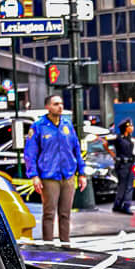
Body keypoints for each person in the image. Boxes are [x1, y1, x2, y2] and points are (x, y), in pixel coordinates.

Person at [24, 93, 86, 242]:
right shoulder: (38, 126)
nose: (60, 107)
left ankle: (66, 244)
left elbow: (76, 149)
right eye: (56, 104)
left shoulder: (67, 124)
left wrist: (82, 173)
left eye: (61, 104)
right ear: (47, 107)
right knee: (49, 214)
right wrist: (34, 175)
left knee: (65, 214)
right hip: (49, 176)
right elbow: (30, 153)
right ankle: (48, 245)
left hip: (68, 175)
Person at [110, 118, 135, 215]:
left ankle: (122, 205)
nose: (132, 128)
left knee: (128, 186)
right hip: (122, 164)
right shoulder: (118, 138)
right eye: (130, 126)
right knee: (123, 186)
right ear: (126, 128)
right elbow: (105, 144)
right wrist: (113, 156)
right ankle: (121, 205)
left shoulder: (129, 138)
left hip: (129, 163)